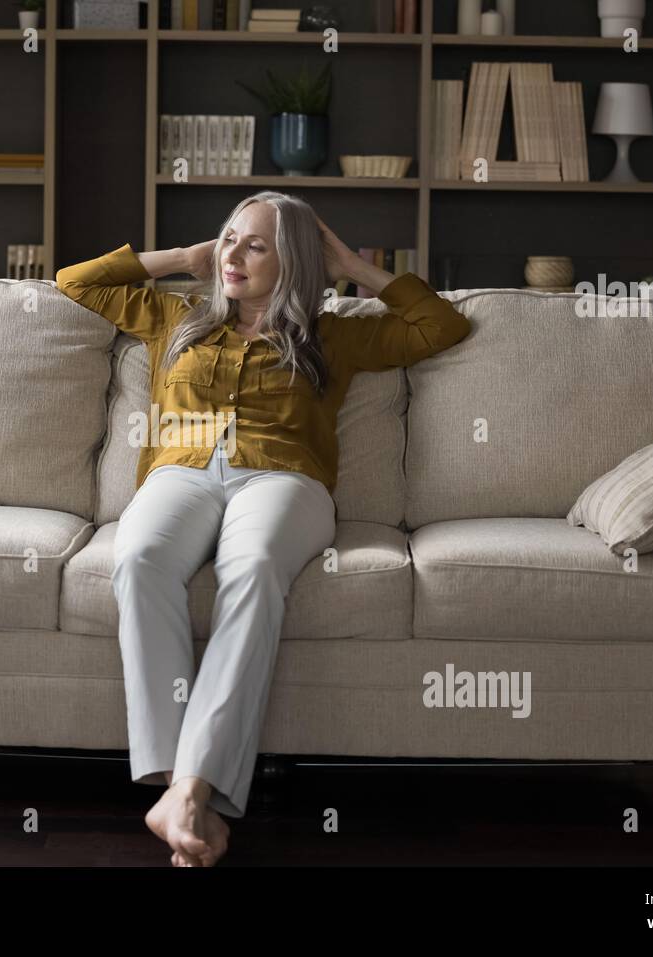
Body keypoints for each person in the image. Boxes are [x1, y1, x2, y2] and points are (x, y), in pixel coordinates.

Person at [54, 190, 472, 866]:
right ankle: (179, 788)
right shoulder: (176, 315)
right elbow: (75, 281)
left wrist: (352, 266)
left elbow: (439, 325)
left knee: (250, 571)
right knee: (136, 557)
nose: (232, 254)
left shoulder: (332, 333)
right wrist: (186, 257)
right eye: (228, 239)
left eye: (255, 245)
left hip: (283, 479)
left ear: (295, 261)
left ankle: (189, 791)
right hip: (181, 470)